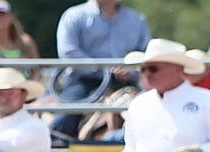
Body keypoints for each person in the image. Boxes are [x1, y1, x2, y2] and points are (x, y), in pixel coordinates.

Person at [54, 0, 152, 141]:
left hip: (127, 81)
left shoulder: (137, 19)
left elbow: (146, 53)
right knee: (67, 116)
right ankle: (56, 147)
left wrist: (130, 70)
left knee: (154, 110)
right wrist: (104, 70)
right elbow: (68, 52)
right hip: (83, 80)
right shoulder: (74, 16)